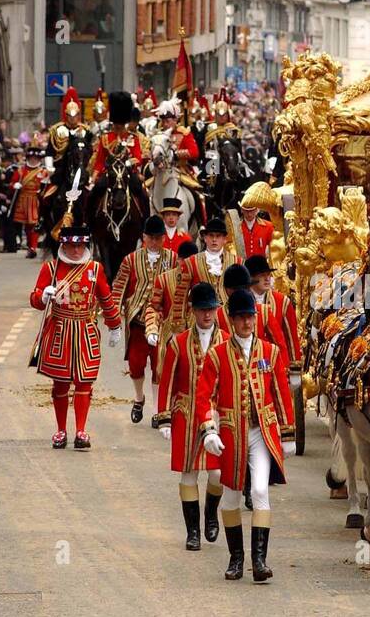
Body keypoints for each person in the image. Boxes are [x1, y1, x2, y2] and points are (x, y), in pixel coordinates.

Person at [195, 288, 295, 583]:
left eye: (251, 316)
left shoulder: (271, 352)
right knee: (232, 496)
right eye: (241, 318)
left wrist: (287, 432)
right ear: (232, 320)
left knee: (261, 491)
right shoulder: (217, 355)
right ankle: (236, 558)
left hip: (261, 432)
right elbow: (204, 397)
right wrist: (208, 430)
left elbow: (280, 394)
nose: (247, 323)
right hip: (230, 432)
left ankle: (259, 561)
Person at [29, 223, 123, 450]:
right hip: (60, 329)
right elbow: (35, 298)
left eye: (80, 246)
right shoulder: (50, 269)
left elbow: (106, 297)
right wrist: (43, 296)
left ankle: (81, 430)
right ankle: (61, 430)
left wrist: (114, 325)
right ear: (63, 245)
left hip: (85, 330)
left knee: (85, 382)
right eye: (72, 247)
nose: (76, 251)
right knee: (60, 384)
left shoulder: (95, 269)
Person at [154, 283, 228, 550]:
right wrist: (163, 417)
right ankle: (193, 531)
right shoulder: (178, 342)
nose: (207, 315)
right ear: (192, 311)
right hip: (185, 413)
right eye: (202, 310)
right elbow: (166, 382)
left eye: (211, 310)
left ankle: (210, 515)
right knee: (188, 473)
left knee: (218, 473)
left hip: (216, 414)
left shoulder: (228, 341)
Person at [110, 215, 177, 423]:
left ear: (164, 238)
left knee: (160, 365)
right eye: (151, 238)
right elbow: (119, 287)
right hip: (137, 321)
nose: (155, 242)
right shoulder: (131, 259)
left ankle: (158, 409)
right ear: (144, 238)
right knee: (136, 365)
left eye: (159, 238)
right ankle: (139, 399)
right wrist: (113, 319)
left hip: (162, 322)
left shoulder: (173, 259)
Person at [173, 218, 237, 332]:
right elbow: (180, 297)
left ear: (225, 239)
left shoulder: (237, 262)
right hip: (199, 319)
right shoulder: (191, 262)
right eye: (211, 235)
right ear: (205, 238)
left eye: (218, 236)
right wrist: (179, 327)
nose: (214, 239)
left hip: (228, 321)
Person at [11, 144, 48, 259]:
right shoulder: (21, 171)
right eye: (31, 158)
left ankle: (33, 247)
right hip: (23, 200)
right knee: (27, 226)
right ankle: (29, 245)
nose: (33, 160)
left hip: (36, 200)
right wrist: (14, 185)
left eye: (35, 159)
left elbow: (48, 184)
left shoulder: (43, 171)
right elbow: (13, 183)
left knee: (34, 224)